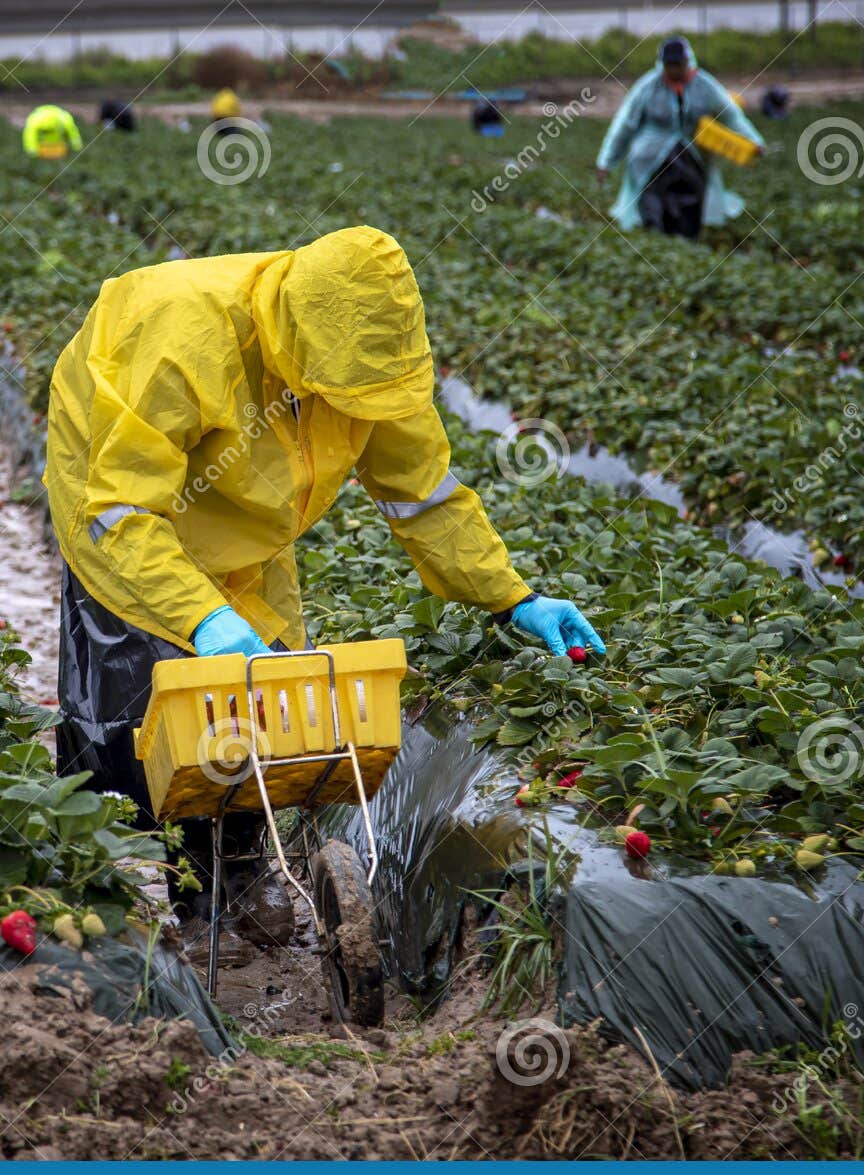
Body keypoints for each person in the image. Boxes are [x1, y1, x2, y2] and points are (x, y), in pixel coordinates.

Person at [45, 226, 604, 935]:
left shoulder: (374, 368)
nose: (360, 408)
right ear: (299, 348)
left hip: (247, 512)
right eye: (343, 390)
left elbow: (422, 495)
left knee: (256, 692)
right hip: (117, 487)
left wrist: (511, 595)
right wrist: (200, 618)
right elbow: (120, 514)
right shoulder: (182, 341)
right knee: (137, 684)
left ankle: (232, 882)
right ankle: (94, 850)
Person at [595, 37, 763, 238]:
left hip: (691, 157)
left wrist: (754, 141)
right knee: (653, 205)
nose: (674, 70)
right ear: (662, 64)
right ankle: (657, 242)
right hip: (650, 160)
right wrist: (606, 161)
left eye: (678, 64)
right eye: (670, 65)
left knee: (689, 205)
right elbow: (624, 125)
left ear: (687, 62)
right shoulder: (647, 87)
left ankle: (685, 244)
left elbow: (731, 115)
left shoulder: (704, 85)